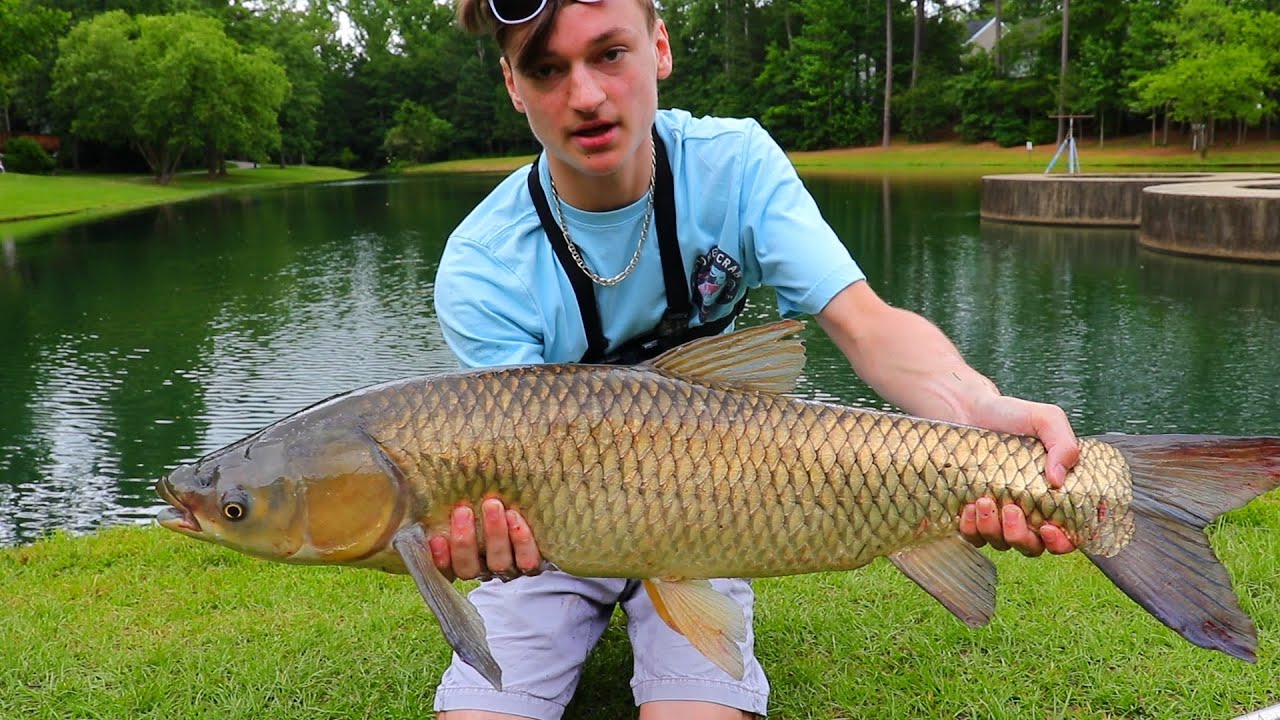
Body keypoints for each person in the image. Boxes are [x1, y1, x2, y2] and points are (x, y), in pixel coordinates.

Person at [429, 1, 1080, 718]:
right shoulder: (482, 263)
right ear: (513, 85)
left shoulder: (733, 164)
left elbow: (865, 325)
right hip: (555, 529)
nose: (584, 97)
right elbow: (510, 461)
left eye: (609, 54)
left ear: (660, 48)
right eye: (546, 70)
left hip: (714, 513)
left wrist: (974, 405)